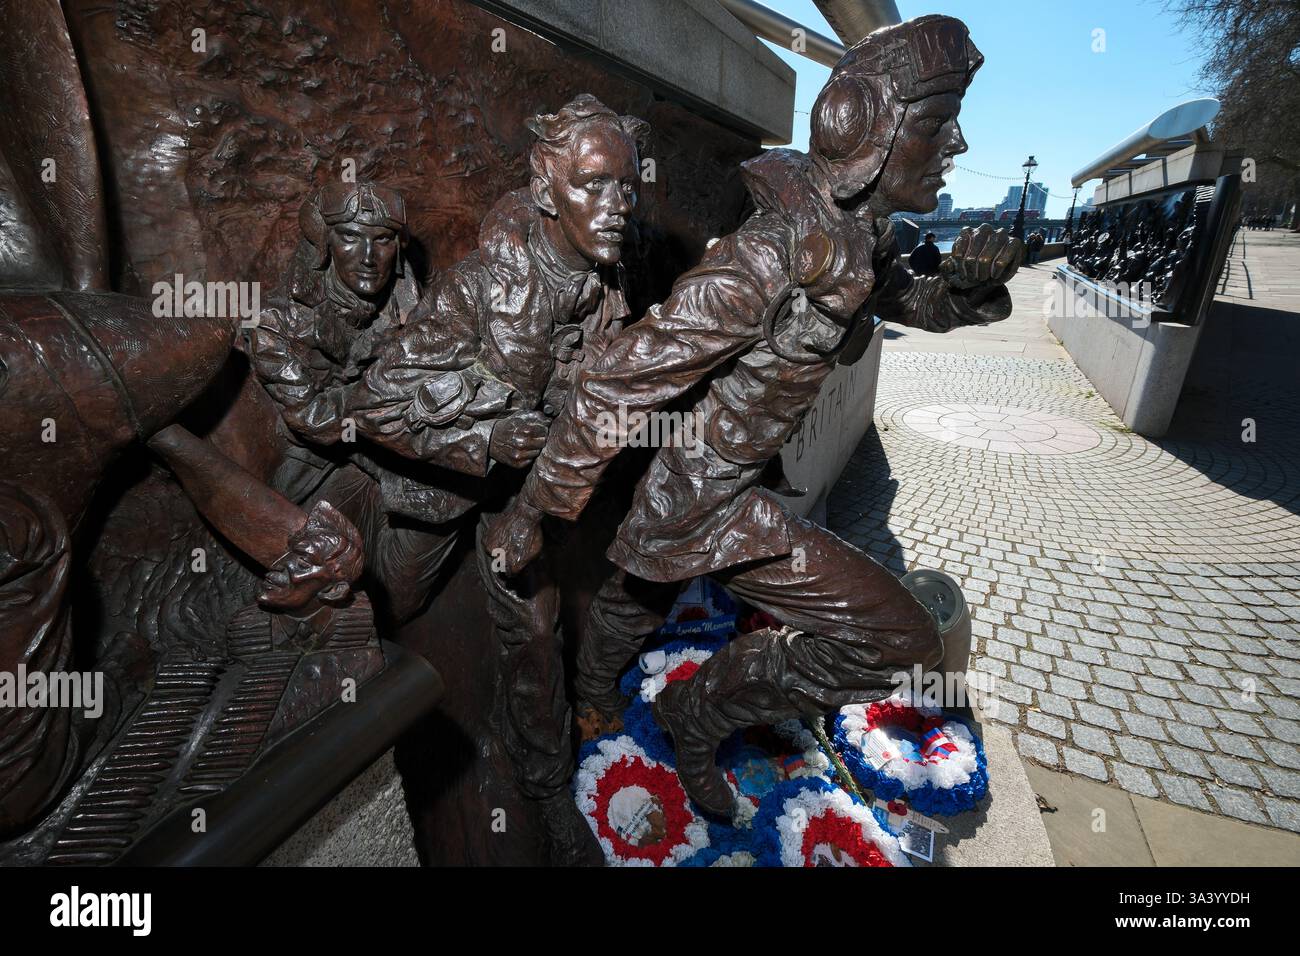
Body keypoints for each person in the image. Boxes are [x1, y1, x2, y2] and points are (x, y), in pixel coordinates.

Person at [486, 15, 1024, 817]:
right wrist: (533, 510)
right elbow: (620, 381)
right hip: (705, 493)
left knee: (643, 587)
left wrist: (971, 294)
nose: (958, 147)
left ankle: (663, 707)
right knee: (897, 643)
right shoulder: (772, 253)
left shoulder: (856, 237)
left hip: (737, 489)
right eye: (939, 123)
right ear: (866, 126)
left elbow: (915, 300)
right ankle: (681, 716)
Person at [343, 95, 653, 864]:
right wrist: (483, 435)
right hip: (430, 502)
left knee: (536, 634)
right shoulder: (480, 289)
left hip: (518, 508)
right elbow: (373, 403)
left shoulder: (606, 287)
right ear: (547, 189)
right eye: (592, 185)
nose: (614, 208)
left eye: (626, 187)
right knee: (395, 603)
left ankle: (548, 795)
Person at [242, 182, 458, 626]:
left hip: (395, 467)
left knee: (414, 571)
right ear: (325, 245)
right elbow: (315, 419)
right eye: (350, 236)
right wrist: (389, 389)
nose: (367, 256)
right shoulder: (276, 325)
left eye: (381, 240)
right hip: (314, 477)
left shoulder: (416, 316)